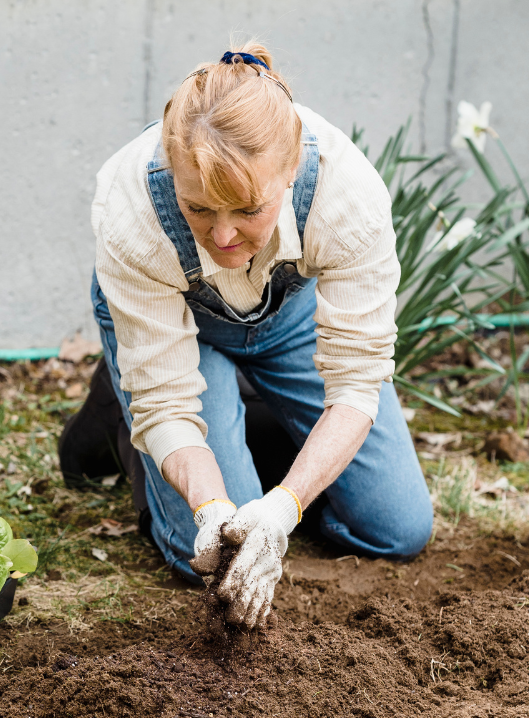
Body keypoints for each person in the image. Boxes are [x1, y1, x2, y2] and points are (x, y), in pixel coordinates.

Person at [59, 41, 433, 630]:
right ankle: (125, 402)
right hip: (180, 325)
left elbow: (356, 387)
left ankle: (237, 420)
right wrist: (212, 509)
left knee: (398, 530)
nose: (224, 235)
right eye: (199, 209)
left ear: (290, 171)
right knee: (208, 555)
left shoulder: (345, 195)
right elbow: (169, 408)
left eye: (247, 209)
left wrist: (282, 509)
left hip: (289, 322)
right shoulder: (133, 210)